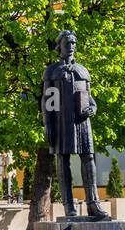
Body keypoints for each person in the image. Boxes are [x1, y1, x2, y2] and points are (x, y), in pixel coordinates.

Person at [42, 29, 109, 220]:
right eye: (67, 43)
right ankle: (69, 206)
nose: (71, 46)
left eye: (73, 43)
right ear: (59, 46)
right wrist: (48, 124)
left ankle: (93, 204)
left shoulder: (83, 70)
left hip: (82, 123)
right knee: (62, 159)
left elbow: (89, 97)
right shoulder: (53, 71)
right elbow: (48, 101)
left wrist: (93, 108)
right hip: (62, 121)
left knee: (88, 157)